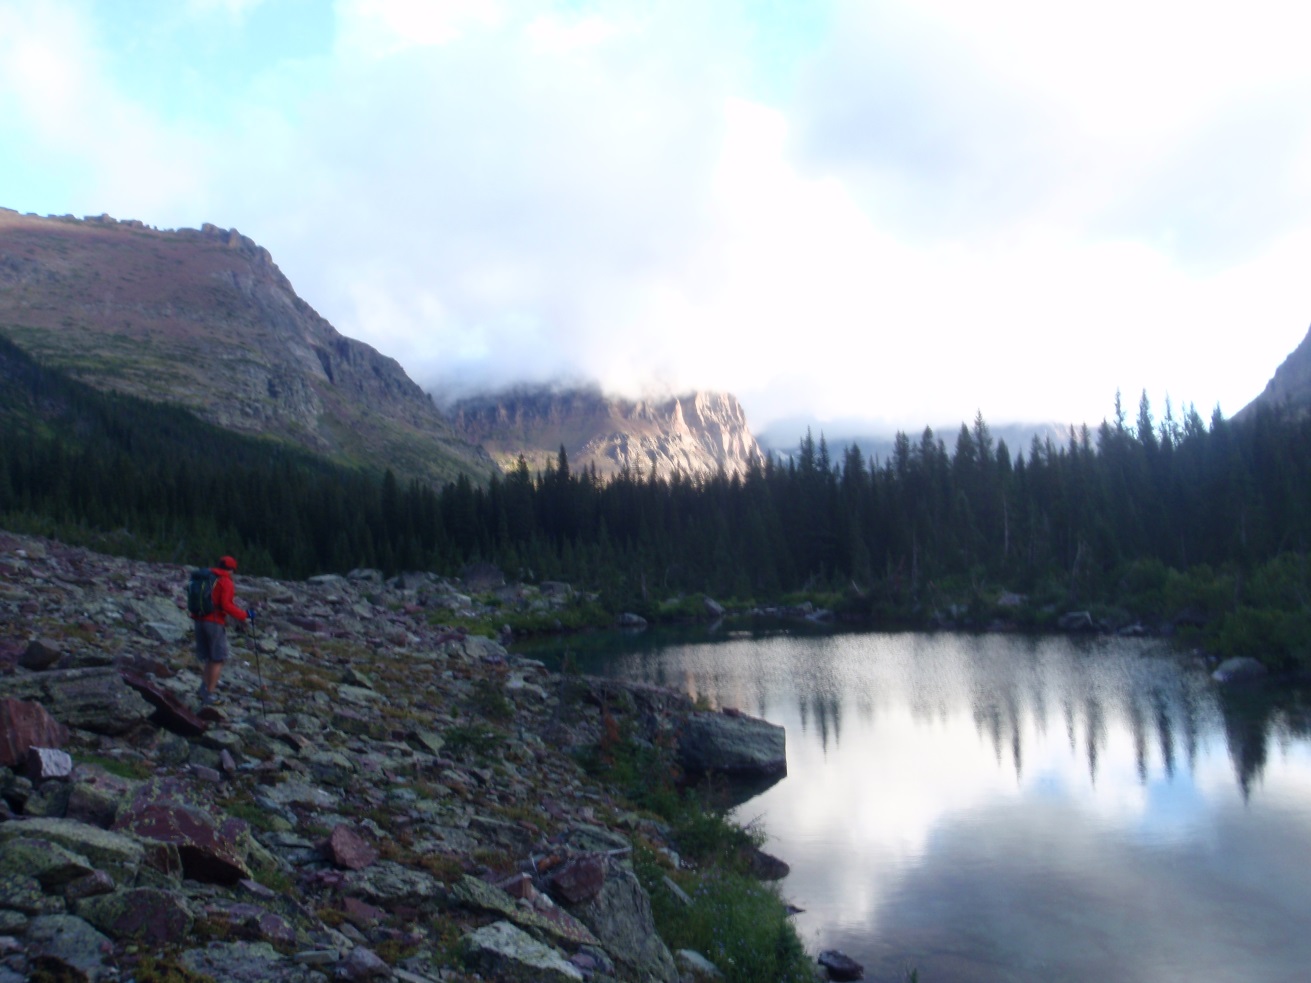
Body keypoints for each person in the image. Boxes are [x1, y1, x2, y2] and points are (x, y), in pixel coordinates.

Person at [192, 555, 254, 705]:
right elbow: (226, 605)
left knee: (209, 658)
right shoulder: (225, 581)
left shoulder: (206, 576)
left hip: (199, 620)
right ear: (231, 569)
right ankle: (209, 694)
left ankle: (203, 689)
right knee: (218, 658)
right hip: (214, 622)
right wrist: (245, 615)